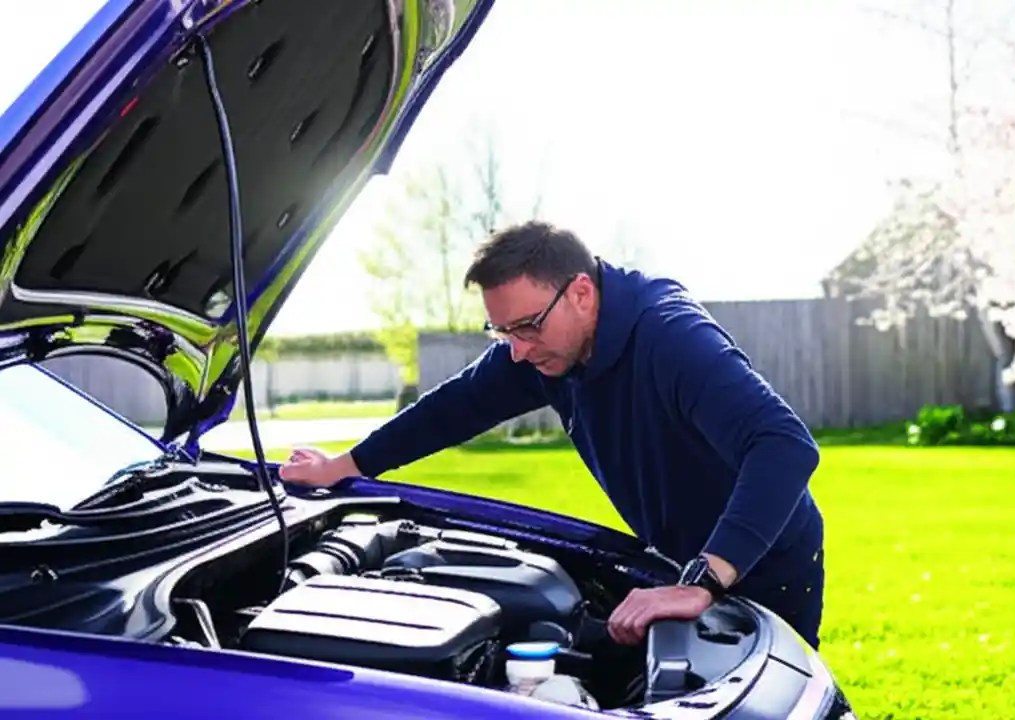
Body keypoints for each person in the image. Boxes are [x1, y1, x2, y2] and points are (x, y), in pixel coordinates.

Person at [278, 221, 827, 648]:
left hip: (763, 563)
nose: (516, 349)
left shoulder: (670, 336)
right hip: (677, 559)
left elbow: (783, 446)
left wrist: (703, 581)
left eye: (527, 326)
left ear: (582, 293)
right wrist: (345, 467)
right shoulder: (546, 351)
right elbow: (454, 409)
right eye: (502, 330)